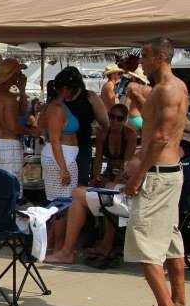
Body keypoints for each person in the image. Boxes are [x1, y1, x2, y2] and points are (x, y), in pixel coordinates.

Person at [123, 37, 189, 306]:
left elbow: (161, 137)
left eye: (145, 55)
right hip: (167, 173)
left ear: (160, 58)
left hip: (158, 175)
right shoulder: (172, 87)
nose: (141, 61)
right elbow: (157, 125)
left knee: (145, 244)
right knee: (170, 240)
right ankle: (179, 302)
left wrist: (138, 176)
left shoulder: (168, 89)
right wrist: (139, 97)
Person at [47, 159, 140, 264]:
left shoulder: (150, 152)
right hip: (133, 195)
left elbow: (134, 169)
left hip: (135, 199)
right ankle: (105, 245)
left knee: (78, 193)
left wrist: (128, 171)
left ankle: (67, 251)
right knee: (104, 190)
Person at [61, 66, 110, 186]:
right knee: (63, 183)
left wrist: (98, 141)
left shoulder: (90, 97)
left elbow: (105, 123)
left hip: (81, 146)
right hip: (63, 146)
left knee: (79, 182)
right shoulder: (61, 97)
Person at [0, 58, 29, 187]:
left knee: (4, 185)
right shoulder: (8, 96)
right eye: (18, 73)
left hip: (1, 141)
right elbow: (13, 127)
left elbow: (21, 111)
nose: (20, 75)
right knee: (13, 186)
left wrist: (22, 90)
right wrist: (32, 132)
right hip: (10, 144)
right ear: (13, 75)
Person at [41, 73, 81, 202]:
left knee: (65, 202)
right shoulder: (56, 109)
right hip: (60, 159)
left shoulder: (56, 106)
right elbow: (54, 140)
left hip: (64, 157)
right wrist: (63, 169)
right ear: (65, 89)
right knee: (61, 203)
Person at [92, 103, 137, 185]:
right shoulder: (102, 134)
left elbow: (126, 162)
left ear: (125, 120)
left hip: (126, 171)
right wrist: (96, 177)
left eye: (119, 118)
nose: (114, 121)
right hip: (109, 170)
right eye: (112, 116)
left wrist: (115, 182)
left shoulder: (130, 135)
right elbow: (98, 159)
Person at [123, 67, 152, 133]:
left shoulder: (131, 86)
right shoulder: (149, 89)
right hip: (144, 119)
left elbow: (127, 104)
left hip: (133, 118)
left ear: (134, 77)